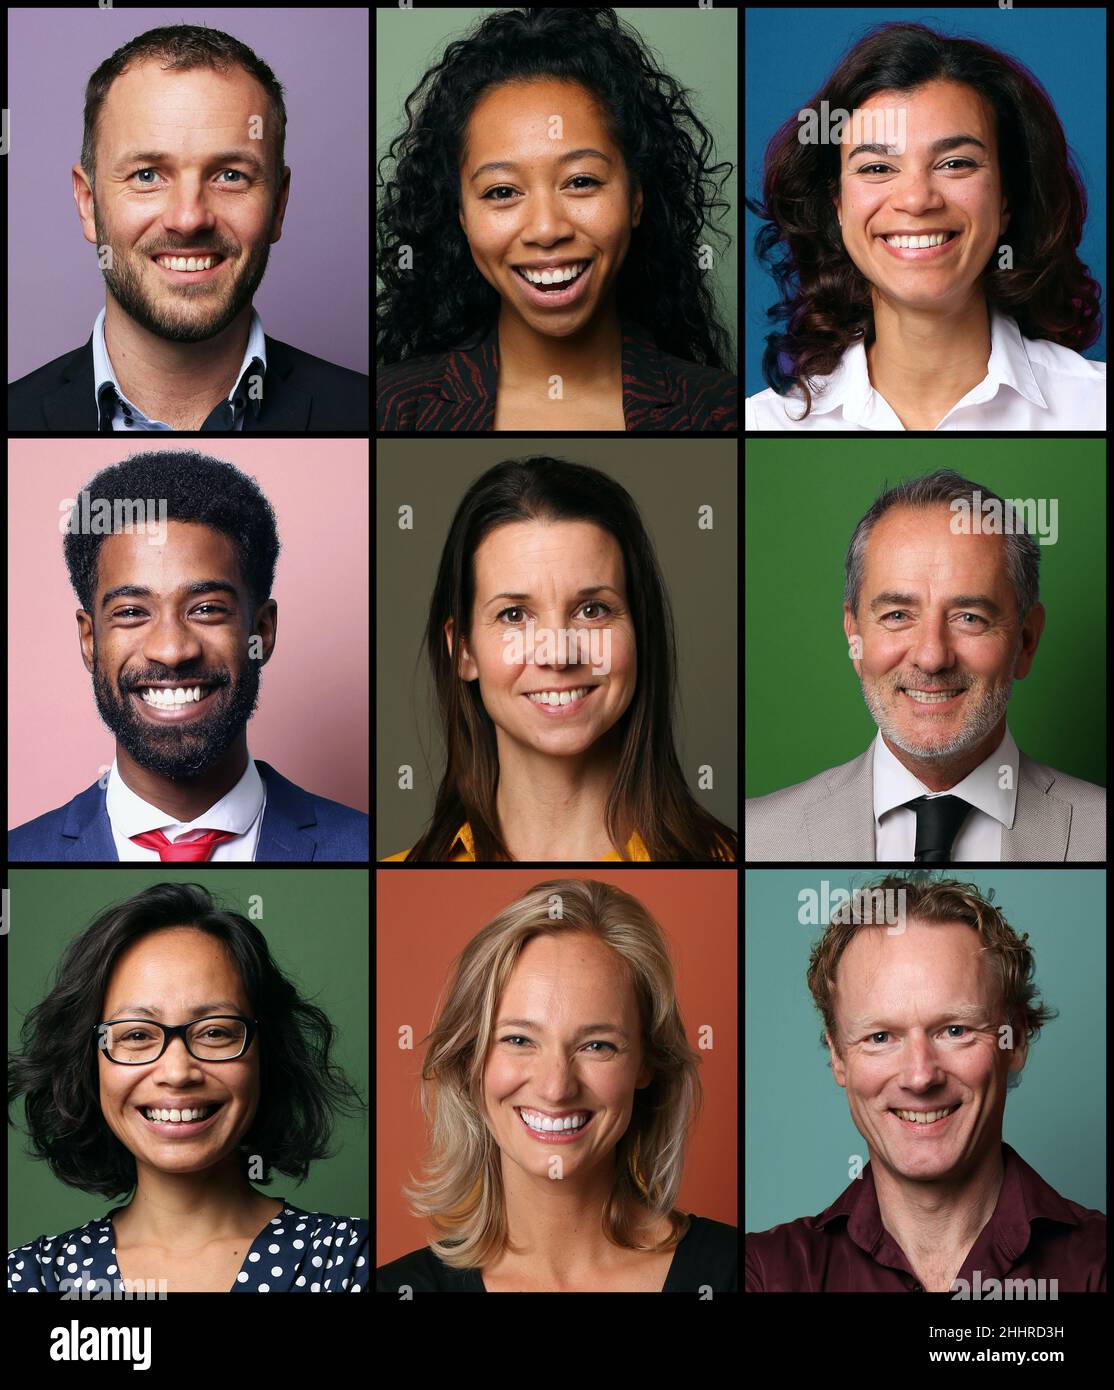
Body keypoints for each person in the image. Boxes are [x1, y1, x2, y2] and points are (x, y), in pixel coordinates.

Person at [377, 7, 736, 432]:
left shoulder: (721, 412)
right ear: (462, 215)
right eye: (502, 192)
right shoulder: (393, 409)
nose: (547, 230)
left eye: (581, 181)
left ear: (636, 197)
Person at [747, 875, 1105, 1292]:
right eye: (880, 1037)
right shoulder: (764, 1274)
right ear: (837, 1057)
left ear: (1016, 1039)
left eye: (954, 1030)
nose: (920, 1076)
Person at [377, 879, 737, 1292]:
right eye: (519, 1040)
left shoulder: (735, 1272)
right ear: (469, 1059)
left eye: (597, 1045)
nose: (556, 1087)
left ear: (646, 1063)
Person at [7, 883, 369, 1293]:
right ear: (89, 1063)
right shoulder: (33, 1278)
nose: (178, 1071)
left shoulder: (352, 1264)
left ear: (266, 1055)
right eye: (137, 1035)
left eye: (214, 1032)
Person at [8, 452, 368, 862]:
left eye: (206, 609)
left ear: (262, 631)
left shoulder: (363, 847)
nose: (172, 650)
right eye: (131, 612)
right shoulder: (20, 855)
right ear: (89, 640)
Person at [8, 24, 368, 432]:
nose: (189, 218)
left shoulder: (363, 411)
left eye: (230, 175)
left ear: (279, 204)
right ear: (88, 204)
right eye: (147, 175)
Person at [745, 23, 1104, 431]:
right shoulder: (764, 423)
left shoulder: (1096, 406)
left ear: (1006, 198)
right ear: (839, 206)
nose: (916, 200)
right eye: (877, 167)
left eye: (955, 163)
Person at [383, 457, 736, 862]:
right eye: (514, 615)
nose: (558, 654)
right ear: (463, 650)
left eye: (592, 610)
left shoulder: (731, 859)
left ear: (640, 632)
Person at [745, 470, 1105, 861]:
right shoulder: (755, 838)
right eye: (898, 615)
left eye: (969, 617)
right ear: (855, 638)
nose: (932, 657)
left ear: (1026, 642)